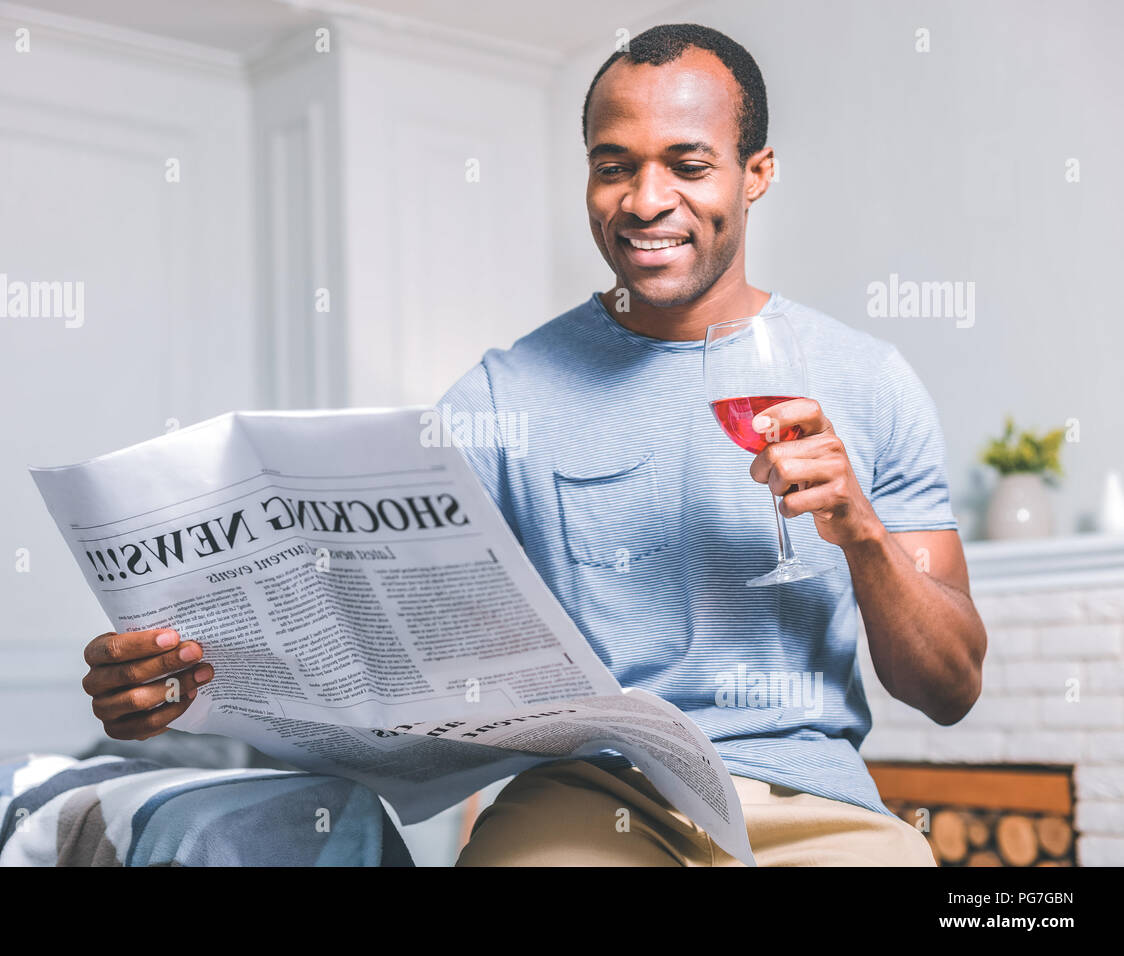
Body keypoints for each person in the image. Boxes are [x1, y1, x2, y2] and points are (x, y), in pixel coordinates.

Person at [78, 23, 986, 866]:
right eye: (614, 166)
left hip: (814, 803)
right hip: (589, 798)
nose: (645, 201)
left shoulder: (869, 380)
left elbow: (950, 689)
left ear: (756, 173)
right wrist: (180, 678)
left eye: (689, 164)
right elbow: (374, 641)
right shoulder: (500, 397)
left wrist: (860, 530)